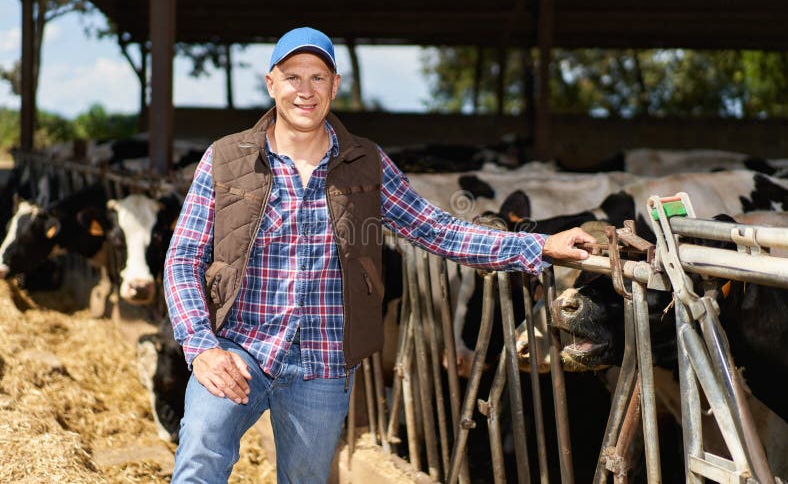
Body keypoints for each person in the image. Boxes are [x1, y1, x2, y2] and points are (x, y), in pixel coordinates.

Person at [164, 26, 596, 483]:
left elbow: (436, 229)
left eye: (318, 78)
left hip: (323, 360)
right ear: (271, 83)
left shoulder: (366, 163)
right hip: (237, 347)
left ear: (335, 86)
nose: (305, 91)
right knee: (199, 460)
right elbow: (183, 258)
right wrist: (202, 346)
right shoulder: (225, 157)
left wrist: (539, 245)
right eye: (293, 77)